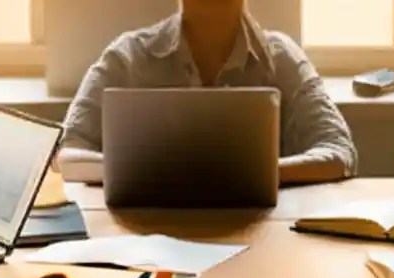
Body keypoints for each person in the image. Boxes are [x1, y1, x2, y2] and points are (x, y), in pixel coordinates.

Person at [57, 0, 357, 186]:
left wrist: (257, 175)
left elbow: (339, 152)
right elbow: (66, 151)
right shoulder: (129, 58)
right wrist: (141, 173)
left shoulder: (281, 59)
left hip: (259, 243)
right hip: (147, 240)